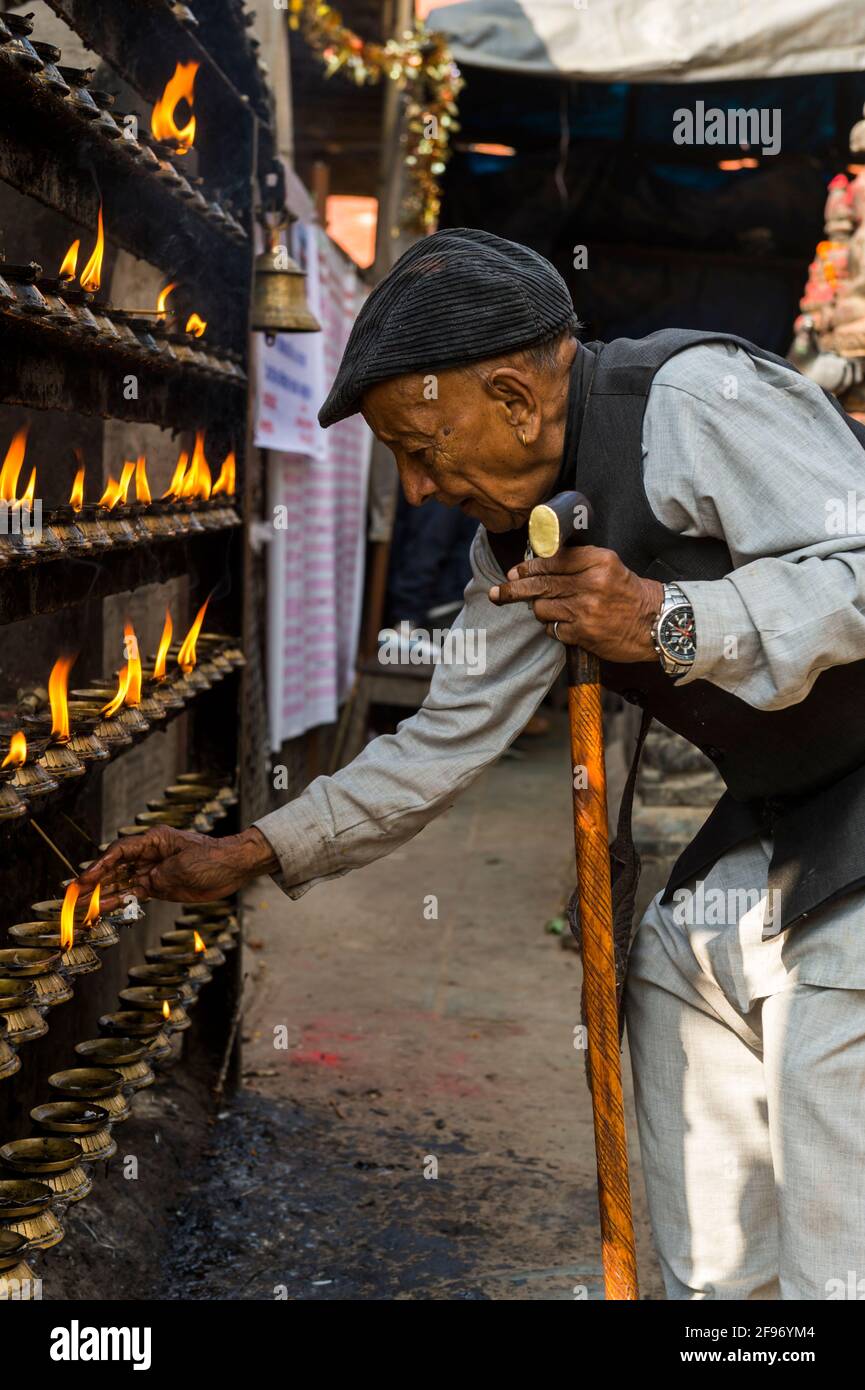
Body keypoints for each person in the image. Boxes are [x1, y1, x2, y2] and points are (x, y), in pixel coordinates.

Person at [80, 228, 865, 1301]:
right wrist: (253, 849)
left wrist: (673, 619)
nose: (415, 489)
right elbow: (443, 735)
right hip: (794, 806)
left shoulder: (695, 401)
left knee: (830, 1079)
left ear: (512, 394)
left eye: (422, 445)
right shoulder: (520, 538)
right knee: (677, 977)